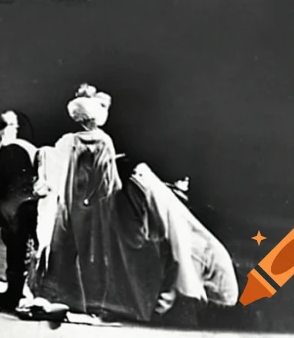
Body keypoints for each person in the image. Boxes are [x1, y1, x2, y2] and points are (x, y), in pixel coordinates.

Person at [35, 83, 237, 322]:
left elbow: (93, 174)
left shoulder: (79, 142)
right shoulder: (99, 142)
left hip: (90, 202)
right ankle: (87, 301)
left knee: (83, 249)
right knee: (94, 251)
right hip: (95, 203)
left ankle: (76, 299)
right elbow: (103, 179)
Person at [0, 110, 42, 311]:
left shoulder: (7, 150)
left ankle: (14, 294)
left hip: (14, 209)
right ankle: (26, 291)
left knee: (15, 252)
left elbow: (1, 185)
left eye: (6, 126)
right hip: (31, 205)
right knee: (27, 252)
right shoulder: (32, 149)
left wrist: (0, 214)